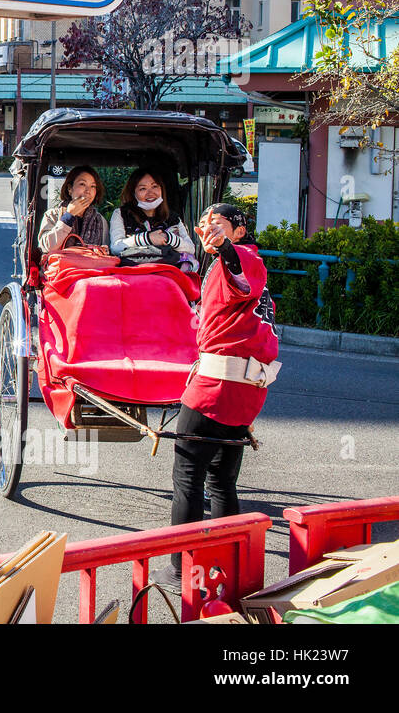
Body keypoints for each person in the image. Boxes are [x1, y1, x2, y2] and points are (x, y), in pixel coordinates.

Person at [152, 203, 280, 593]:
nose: (210, 230)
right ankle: (226, 565)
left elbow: (240, 277)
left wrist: (224, 248)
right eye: (206, 225)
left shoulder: (240, 258)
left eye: (220, 225)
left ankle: (181, 569)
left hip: (216, 387)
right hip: (246, 390)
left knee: (187, 478)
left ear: (239, 231)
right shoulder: (239, 263)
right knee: (222, 482)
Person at [109, 167, 196, 269]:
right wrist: (148, 238)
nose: (150, 193)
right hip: (133, 274)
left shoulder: (172, 218)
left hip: (169, 273)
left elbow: (190, 248)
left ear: (161, 189)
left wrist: (168, 238)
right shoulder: (121, 214)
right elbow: (115, 247)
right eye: (143, 189)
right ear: (133, 193)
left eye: (155, 186)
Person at [37, 165, 108, 253]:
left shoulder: (99, 220)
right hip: (61, 265)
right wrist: (68, 216)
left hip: (90, 266)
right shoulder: (52, 215)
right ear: (70, 189)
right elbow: (46, 247)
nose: (88, 191)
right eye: (82, 184)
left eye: (93, 186)